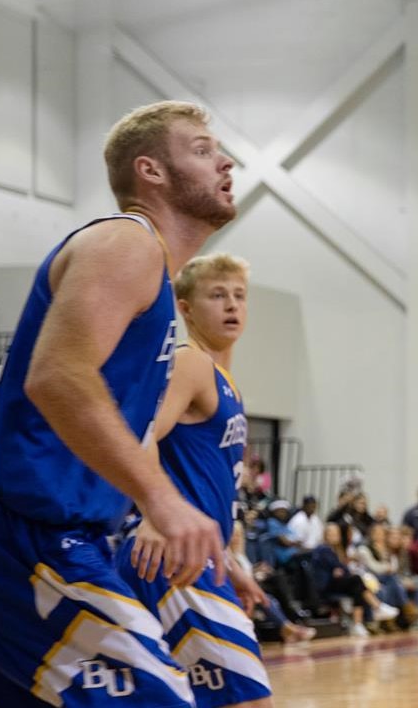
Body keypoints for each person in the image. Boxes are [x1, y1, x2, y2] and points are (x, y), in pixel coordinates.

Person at [0, 101, 237, 708]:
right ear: (151, 171)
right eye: (202, 150)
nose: (225, 161)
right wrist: (162, 498)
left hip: (49, 536)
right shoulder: (128, 243)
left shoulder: (151, 289)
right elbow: (56, 377)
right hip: (22, 535)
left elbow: (101, 421)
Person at [120, 252, 273, 707]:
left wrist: (230, 561)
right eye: (217, 294)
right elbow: (139, 432)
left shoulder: (227, 381)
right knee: (247, 701)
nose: (232, 305)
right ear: (184, 307)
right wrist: (154, 510)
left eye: (239, 296)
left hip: (198, 555)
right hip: (172, 556)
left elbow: (206, 487)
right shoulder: (191, 363)